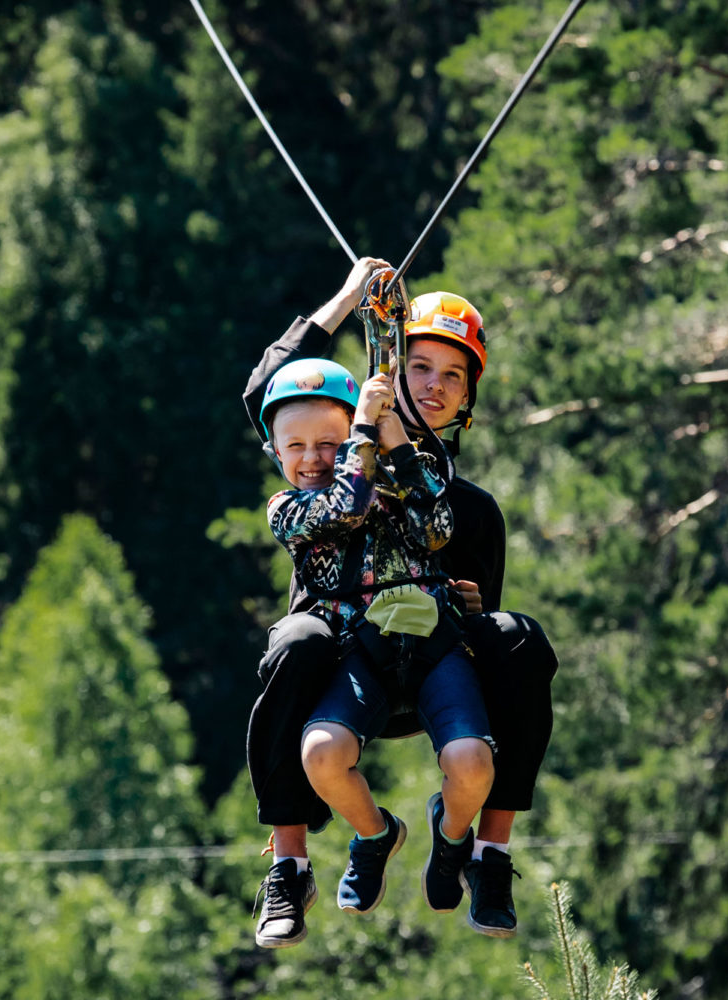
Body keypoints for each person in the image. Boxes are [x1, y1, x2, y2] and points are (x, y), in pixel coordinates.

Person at [244, 259, 558, 948]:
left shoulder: (467, 509)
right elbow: (271, 393)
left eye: (453, 376)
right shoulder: (329, 457)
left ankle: (486, 849)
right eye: (418, 368)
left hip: (432, 659)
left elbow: (476, 612)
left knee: (520, 639)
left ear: (470, 395)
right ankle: (289, 859)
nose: (435, 387)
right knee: (294, 643)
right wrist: (347, 301)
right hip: (340, 654)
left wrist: (467, 608)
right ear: (389, 368)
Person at [262, 358, 496, 921]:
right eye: (295, 447)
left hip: (433, 646)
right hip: (359, 651)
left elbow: (436, 530)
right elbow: (344, 509)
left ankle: (452, 834)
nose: (312, 458)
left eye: (327, 442)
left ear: (348, 441)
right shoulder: (288, 509)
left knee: (473, 762)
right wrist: (364, 431)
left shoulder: (394, 478)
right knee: (321, 755)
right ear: (275, 454)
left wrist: (396, 447)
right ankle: (374, 834)